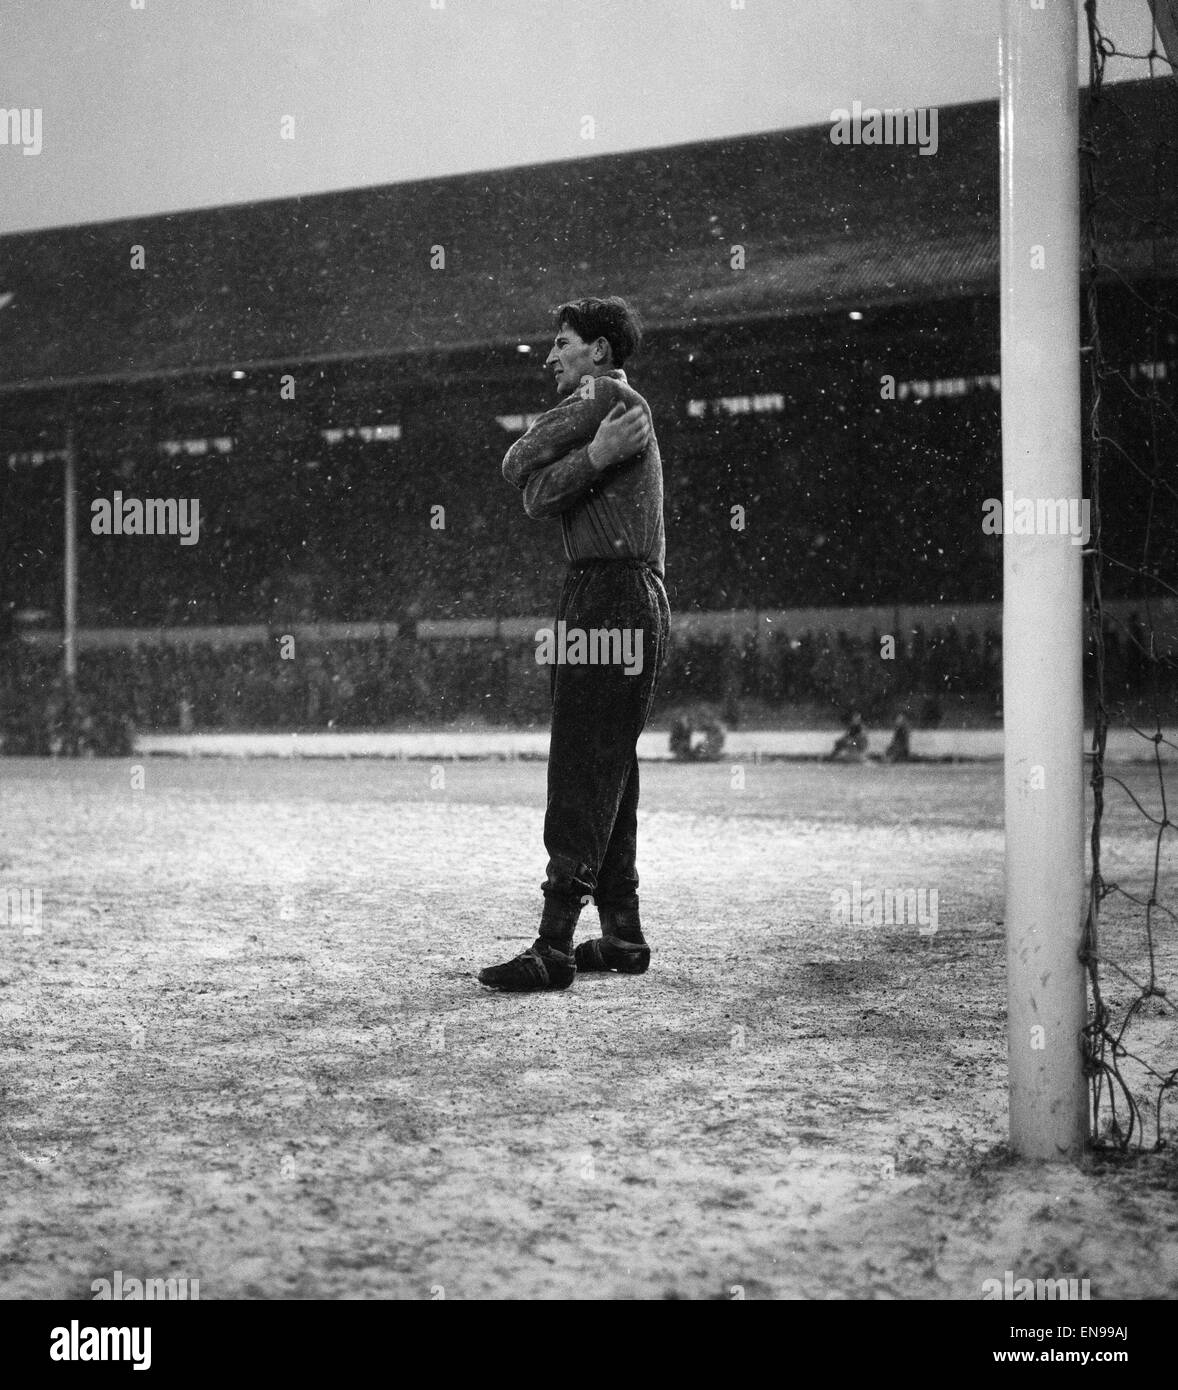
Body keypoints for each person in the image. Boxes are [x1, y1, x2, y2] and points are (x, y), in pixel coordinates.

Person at [478, 297, 669, 992]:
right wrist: (592, 458)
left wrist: (573, 457)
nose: (550, 357)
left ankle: (554, 945)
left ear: (599, 350)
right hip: (620, 592)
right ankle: (622, 932)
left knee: (581, 760)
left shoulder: (603, 393)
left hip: (610, 596)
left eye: (562, 342)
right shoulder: (610, 409)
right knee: (611, 760)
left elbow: (515, 465)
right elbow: (536, 498)